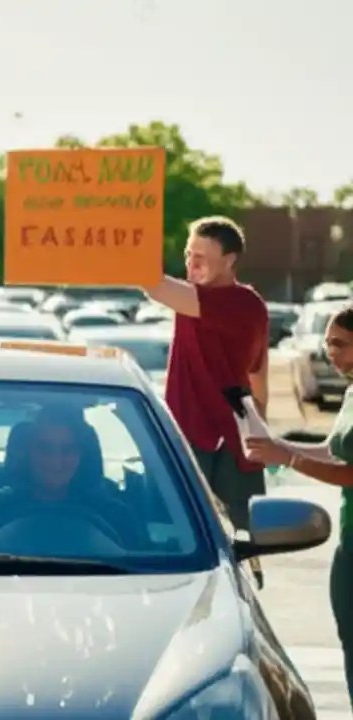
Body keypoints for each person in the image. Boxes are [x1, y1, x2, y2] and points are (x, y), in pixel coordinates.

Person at [143, 216, 269, 587]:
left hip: (229, 442)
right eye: (188, 254)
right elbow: (259, 375)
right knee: (170, 543)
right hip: (186, 433)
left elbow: (155, 286)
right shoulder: (195, 299)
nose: (191, 264)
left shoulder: (240, 303)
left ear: (230, 260)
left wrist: (262, 436)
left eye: (202, 257)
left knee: (241, 547)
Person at [245, 304, 353, 705]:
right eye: (328, 346)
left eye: (340, 345)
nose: (332, 355)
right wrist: (277, 447)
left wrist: (289, 458)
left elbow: (350, 472)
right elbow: (333, 451)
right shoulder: (351, 391)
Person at [0, 406, 144, 547]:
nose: (56, 462)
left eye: (68, 450)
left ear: (83, 455)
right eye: (45, 449)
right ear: (26, 453)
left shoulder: (116, 516)